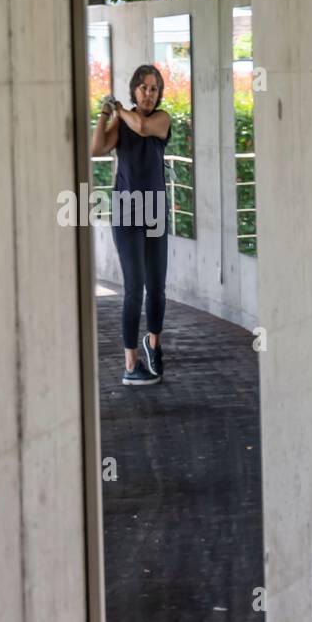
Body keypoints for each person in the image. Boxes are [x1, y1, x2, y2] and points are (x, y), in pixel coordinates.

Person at [90, 64, 171, 386]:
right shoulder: (122, 123)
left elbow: (142, 126)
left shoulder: (161, 119)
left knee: (157, 288)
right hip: (126, 213)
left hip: (155, 213)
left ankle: (153, 343)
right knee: (134, 288)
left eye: (154, 88)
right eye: (144, 88)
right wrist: (104, 114)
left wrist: (121, 109)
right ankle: (130, 364)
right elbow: (96, 148)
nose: (149, 93)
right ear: (135, 89)